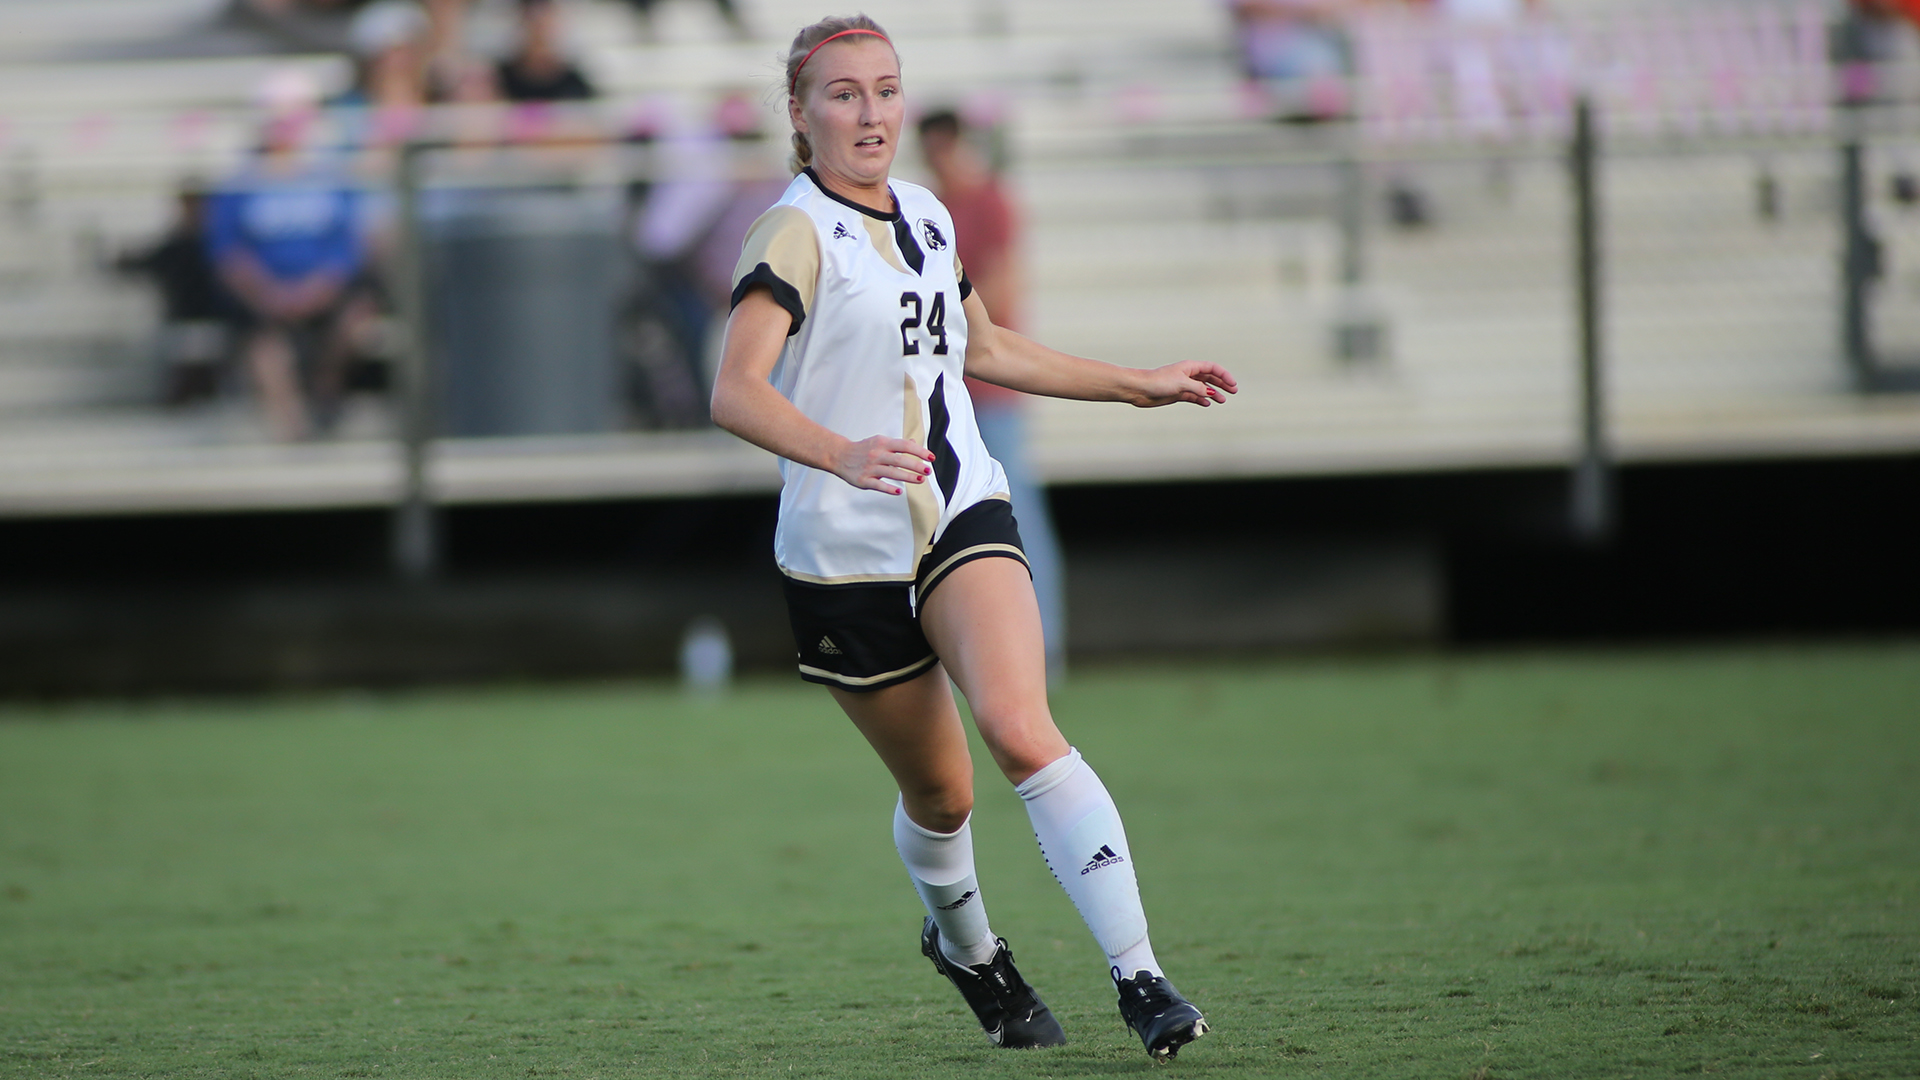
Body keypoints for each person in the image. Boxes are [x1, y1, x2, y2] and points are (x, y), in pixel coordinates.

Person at [709, 15, 1237, 1061]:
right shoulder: (794, 231)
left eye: (886, 89)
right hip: (841, 553)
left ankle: (1143, 981)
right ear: (800, 114)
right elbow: (733, 390)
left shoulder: (928, 214)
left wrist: (1134, 385)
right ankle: (972, 955)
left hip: (959, 509)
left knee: (1019, 728)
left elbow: (984, 345)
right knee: (942, 796)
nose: (871, 112)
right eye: (845, 93)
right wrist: (840, 452)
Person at [915, 107, 1067, 681]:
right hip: (948, 387)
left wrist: (936, 325)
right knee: (950, 523)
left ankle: (1043, 654)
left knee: (1017, 518)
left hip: (988, 387)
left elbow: (1000, 298)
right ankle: (974, 657)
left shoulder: (984, 203)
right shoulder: (930, 207)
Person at [207, 71, 376, 440]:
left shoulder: (332, 176)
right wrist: (269, 293)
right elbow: (227, 253)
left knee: (356, 318)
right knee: (264, 342)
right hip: (264, 297)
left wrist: (315, 291)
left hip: (323, 293)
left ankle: (325, 389)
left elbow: (347, 248)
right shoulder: (240, 181)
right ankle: (291, 427)